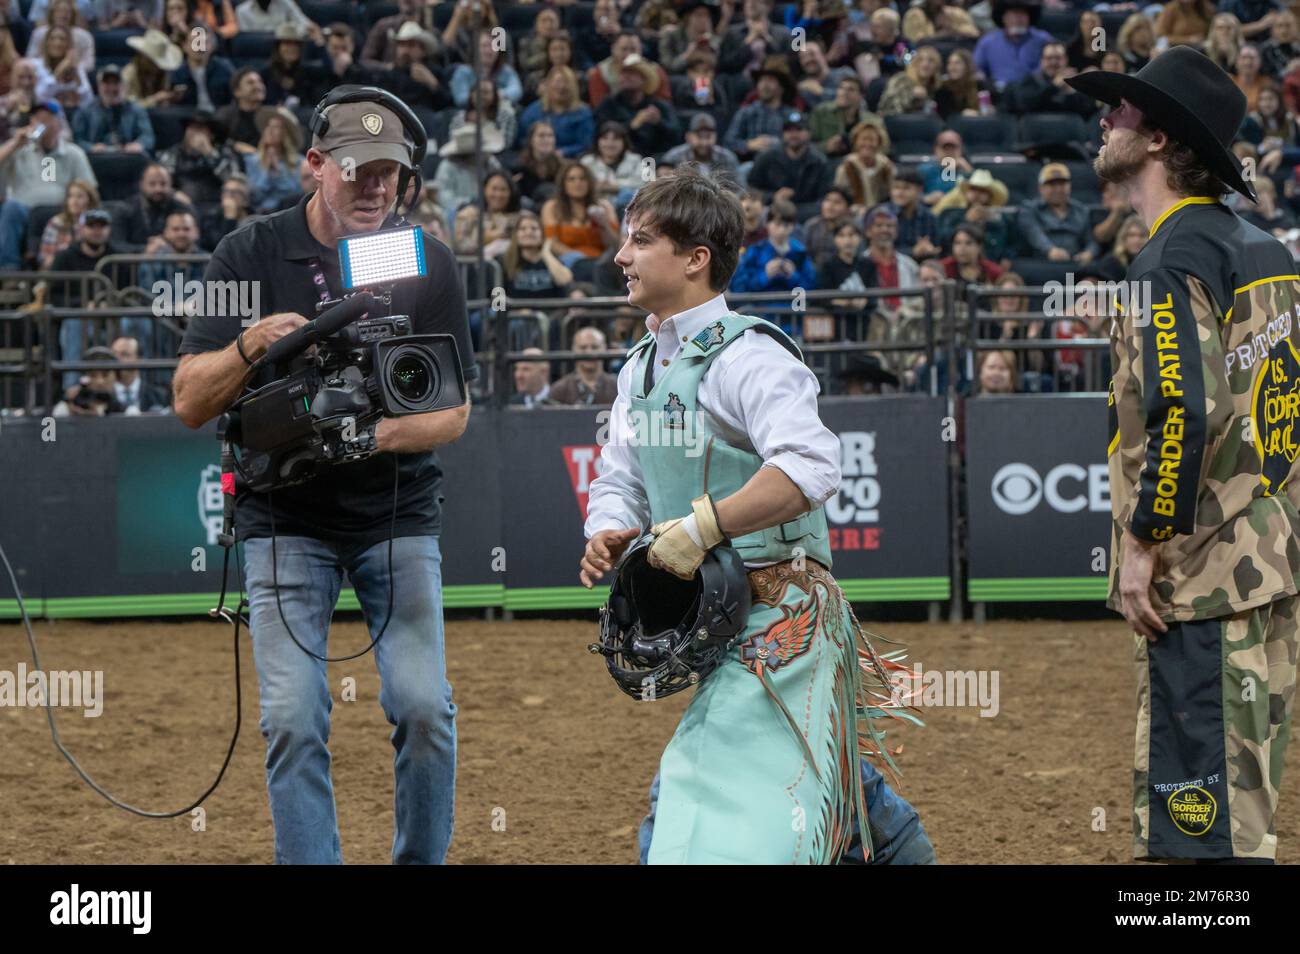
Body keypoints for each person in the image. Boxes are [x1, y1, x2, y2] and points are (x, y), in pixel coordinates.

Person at [579, 167, 934, 865]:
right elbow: (619, 478)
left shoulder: (748, 353)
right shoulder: (638, 368)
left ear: (695, 258)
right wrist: (607, 529)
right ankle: (892, 844)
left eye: (640, 240)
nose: (621, 256)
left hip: (782, 612)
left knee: (709, 776)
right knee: (792, 760)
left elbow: (810, 466)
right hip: (714, 610)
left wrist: (702, 527)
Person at [172, 88, 475, 866]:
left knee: (423, 709)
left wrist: (367, 435)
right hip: (281, 518)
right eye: (358, 171)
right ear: (314, 167)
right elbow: (187, 403)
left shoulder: (417, 255)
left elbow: (453, 413)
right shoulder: (250, 254)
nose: (377, 189)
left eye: (391, 174)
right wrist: (249, 349)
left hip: (395, 510)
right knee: (292, 719)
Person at [1068, 45, 1300, 864]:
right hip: (1270, 560)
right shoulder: (1263, 247)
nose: (1105, 119)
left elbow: (1184, 415)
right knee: (1246, 808)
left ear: (1160, 138)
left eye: (1122, 110)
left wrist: (1141, 544)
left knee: (1194, 825)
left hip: (1202, 575)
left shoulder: (1168, 261)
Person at [0, 101, 95, 269]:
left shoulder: (74, 153)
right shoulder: (18, 150)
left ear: (59, 123)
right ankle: (9, 269)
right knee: (10, 208)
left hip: (63, 211)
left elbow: (89, 190)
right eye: (37, 119)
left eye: (48, 119)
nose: (42, 124)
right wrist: (14, 144)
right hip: (25, 211)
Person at [748, 109, 831, 222]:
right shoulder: (767, 157)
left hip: (806, 216)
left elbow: (823, 200)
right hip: (771, 213)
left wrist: (791, 211)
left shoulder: (819, 162)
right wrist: (773, 197)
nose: (793, 134)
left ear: (809, 133)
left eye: (799, 130)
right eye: (789, 130)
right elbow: (751, 189)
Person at [1016, 162, 1099, 263]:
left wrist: (1089, 253)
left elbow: (1091, 240)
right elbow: (1034, 234)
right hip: (1041, 264)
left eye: (1062, 184)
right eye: (1052, 184)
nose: (1058, 189)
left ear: (1070, 186)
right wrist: (1050, 250)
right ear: (1041, 188)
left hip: (1074, 264)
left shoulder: (1081, 210)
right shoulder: (1029, 209)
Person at [157, 110, 239, 206]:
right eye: (191, 128)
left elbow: (233, 180)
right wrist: (174, 194)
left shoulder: (224, 153)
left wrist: (209, 153)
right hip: (182, 208)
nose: (194, 133)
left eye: (200, 129)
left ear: (211, 135)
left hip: (218, 207)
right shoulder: (173, 154)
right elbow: (160, 183)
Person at [72, 63, 153, 152]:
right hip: (96, 159)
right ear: (99, 86)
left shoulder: (136, 110)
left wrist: (139, 144)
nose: (111, 88)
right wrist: (91, 147)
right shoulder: (84, 111)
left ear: (124, 86)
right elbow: (76, 140)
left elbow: (148, 136)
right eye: (107, 83)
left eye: (116, 82)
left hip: (128, 157)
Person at [973, 0, 1052, 91]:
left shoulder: (1043, 39)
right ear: (1003, 17)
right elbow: (977, 68)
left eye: (1022, 14)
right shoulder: (987, 42)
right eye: (1013, 14)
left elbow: (1054, 64)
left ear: (1029, 17)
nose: (1018, 19)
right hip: (998, 92)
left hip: (1034, 92)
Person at [244, 104, 302, 213]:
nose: (270, 130)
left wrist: (278, 171)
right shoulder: (252, 160)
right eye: (268, 126)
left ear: (286, 134)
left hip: (288, 213)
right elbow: (254, 197)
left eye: (276, 127)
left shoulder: (299, 162)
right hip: (261, 215)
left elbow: (295, 193)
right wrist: (267, 171)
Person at [168, 22, 234, 111]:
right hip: (188, 120)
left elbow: (234, 102)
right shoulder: (177, 74)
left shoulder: (225, 69)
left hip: (220, 119)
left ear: (212, 46)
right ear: (185, 46)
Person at [661, 113, 740, 183]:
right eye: (700, 137)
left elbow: (738, 190)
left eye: (708, 137)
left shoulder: (727, 158)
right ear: (688, 137)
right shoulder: (673, 157)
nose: (704, 143)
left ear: (716, 136)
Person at [38, 177, 98, 269]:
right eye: (70, 196)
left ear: (90, 200)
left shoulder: (98, 223)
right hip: (62, 273)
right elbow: (45, 259)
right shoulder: (56, 223)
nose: (74, 201)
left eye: (79, 196)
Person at [548, 326, 618, 405]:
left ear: (604, 349)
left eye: (595, 347)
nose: (589, 352)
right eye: (583, 347)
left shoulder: (618, 387)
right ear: (573, 350)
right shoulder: (559, 390)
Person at [111, 334, 171, 412]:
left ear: (139, 359)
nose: (117, 359)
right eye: (114, 354)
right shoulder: (101, 395)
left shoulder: (158, 396)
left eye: (124, 354)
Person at [214, 66, 265, 153]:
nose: (258, 86)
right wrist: (234, 145)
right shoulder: (224, 116)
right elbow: (216, 141)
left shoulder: (271, 115)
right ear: (237, 92)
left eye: (260, 82)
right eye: (250, 83)